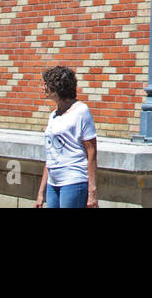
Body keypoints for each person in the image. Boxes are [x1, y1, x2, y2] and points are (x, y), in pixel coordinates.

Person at [36, 66, 99, 208]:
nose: (43, 87)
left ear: (57, 86)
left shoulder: (81, 111)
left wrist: (92, 191)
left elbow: (91, 151)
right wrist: (41, 192)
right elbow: (50, 155)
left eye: (46, 84)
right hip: (53, 183)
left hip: (74, 180)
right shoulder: (53, 115)